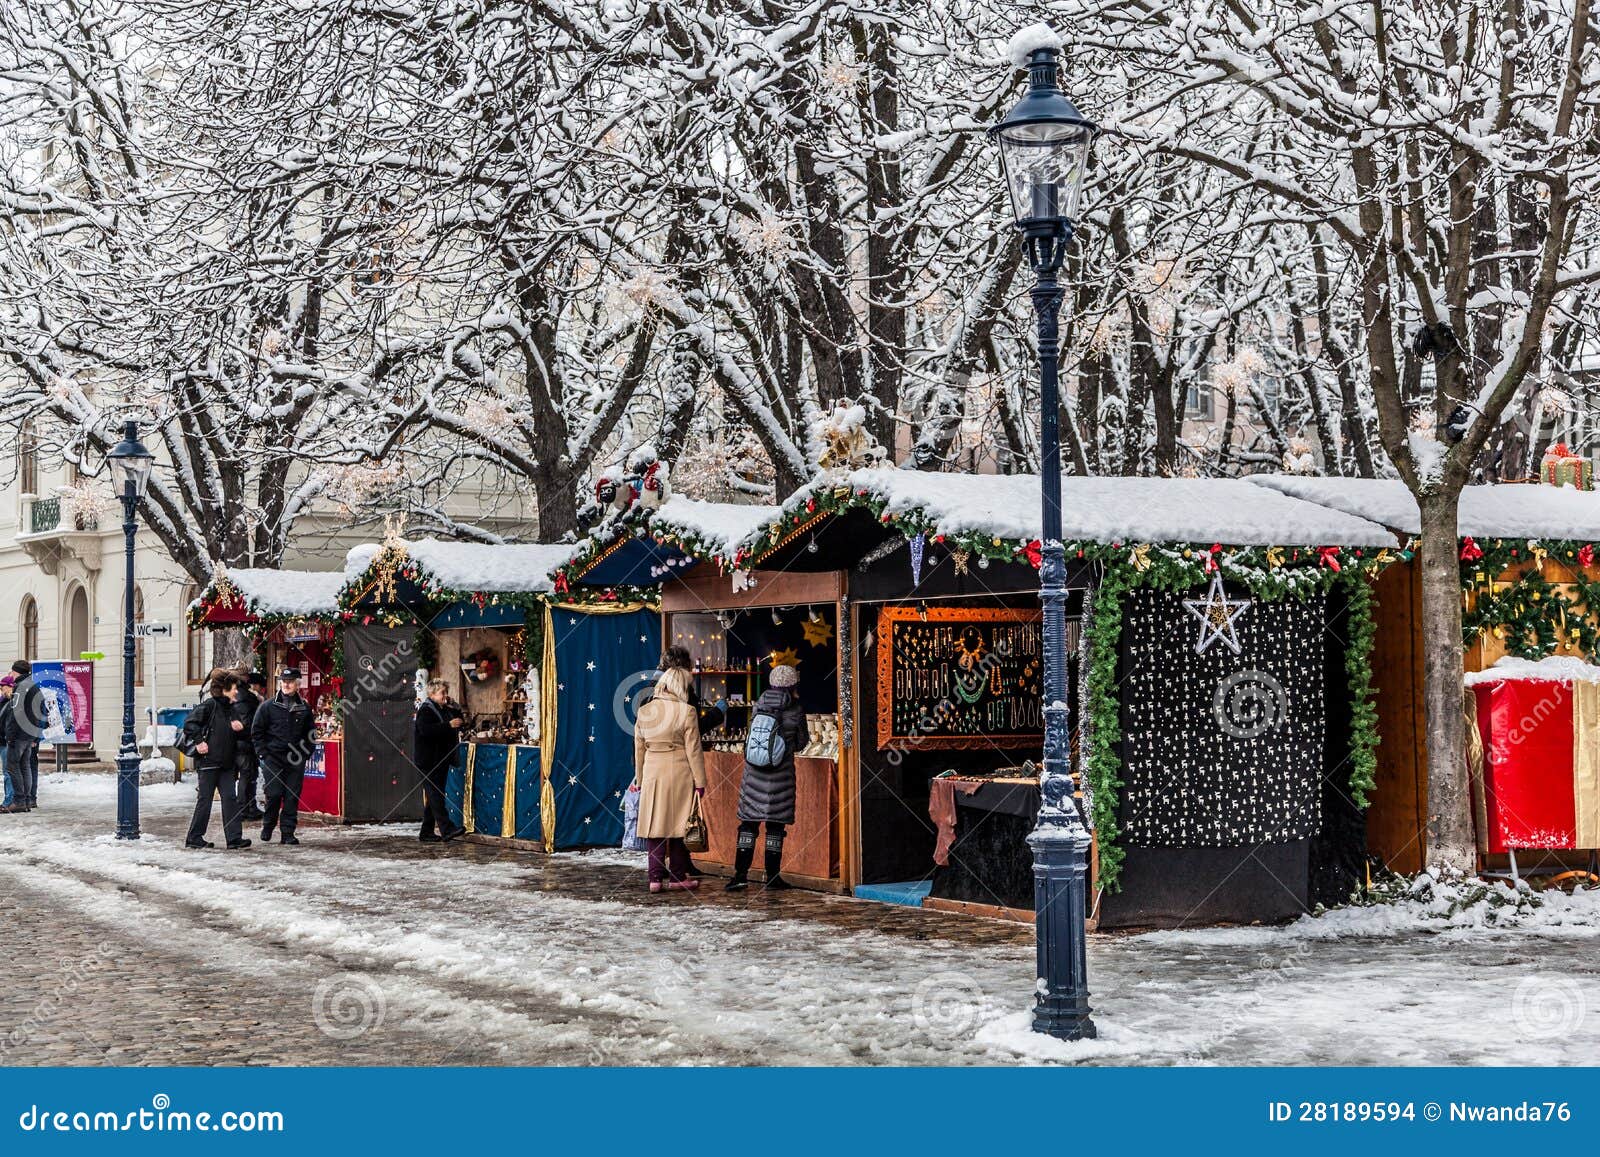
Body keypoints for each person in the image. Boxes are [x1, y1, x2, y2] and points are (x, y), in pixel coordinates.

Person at [728, 664, 809, 891]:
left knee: (748, 824)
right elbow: (802, 742)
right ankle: (773, 877)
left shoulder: (758, 705)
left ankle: (740, 875)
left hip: (753, 775)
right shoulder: (796, 710)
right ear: (793, 685)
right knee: (775, 827)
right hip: (781, 777)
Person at [631, 665, 706, 893]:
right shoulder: (687, 711)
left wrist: (640, 779)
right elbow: (694, 750)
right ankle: (677, 877)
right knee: (679, 827)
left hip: (653, 771)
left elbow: (639, 748)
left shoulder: (645, 711)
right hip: (679, 771)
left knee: (655, 825)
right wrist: (700, 781)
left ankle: (654, 879)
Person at [180, 672, 250, 850]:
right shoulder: (209, 706)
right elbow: (189, 724)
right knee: (205, 800)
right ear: (225, 690)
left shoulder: (231, 709)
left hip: (226, 764)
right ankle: (194, 838)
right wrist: (199, 741)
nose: (236, 692)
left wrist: (240, 729)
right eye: (234, 688)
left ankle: (234, 839)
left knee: (230, 799)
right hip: (209, 763)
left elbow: (239, 734)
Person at [252, 667, 316, 845]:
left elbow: (311, 733)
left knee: (291, 796)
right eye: (284, 681)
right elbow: (257, 732)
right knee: (273, 794)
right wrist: (263, 754)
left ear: (297, 684)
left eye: (290, 681)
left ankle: (288, 833)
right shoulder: (267, 706)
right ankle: (268, 824)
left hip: (295, 759)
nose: (286, 684)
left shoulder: (304, 708)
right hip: (273, 758)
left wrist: (306, 753)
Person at [414, 679, 467, 843]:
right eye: (442, 693)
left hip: (441, 759)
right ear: (432, 694)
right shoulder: (426, 710)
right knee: (436, 795)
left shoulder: (444, 708)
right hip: (428, 761)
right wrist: (447, 726)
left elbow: (459, 721)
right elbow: (425, 731)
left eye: (445, 692)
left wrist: (455, 707)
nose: (445, 695)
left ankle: (426, 832)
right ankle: (447, 828)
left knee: (434, 796)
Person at [8, 660, 43, 811]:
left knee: (13, 767)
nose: (11, 674)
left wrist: (10, 735)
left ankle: (19, 800)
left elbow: (16, 713)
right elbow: (40, 712)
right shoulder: (34, 686)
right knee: (25, 766)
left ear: (17, 672)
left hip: (19, 734)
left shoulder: (19, 687)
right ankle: (28, 800)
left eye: (12, 671)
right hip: (30, 733)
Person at [234, 670, 267, 821]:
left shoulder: (240, 696)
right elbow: (248, 723)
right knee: (248, 776)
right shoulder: (246, 698)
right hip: (245, 743)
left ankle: (247, 807)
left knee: (248, 776)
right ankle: (244, 808)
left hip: (242, 743)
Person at [0, 675, 17, 812]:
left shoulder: (13, 702)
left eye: (2, 686)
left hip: (7, 741)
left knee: (8, 772)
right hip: (2, 740)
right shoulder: (3, 701)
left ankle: (9, 801)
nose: (1, 689)